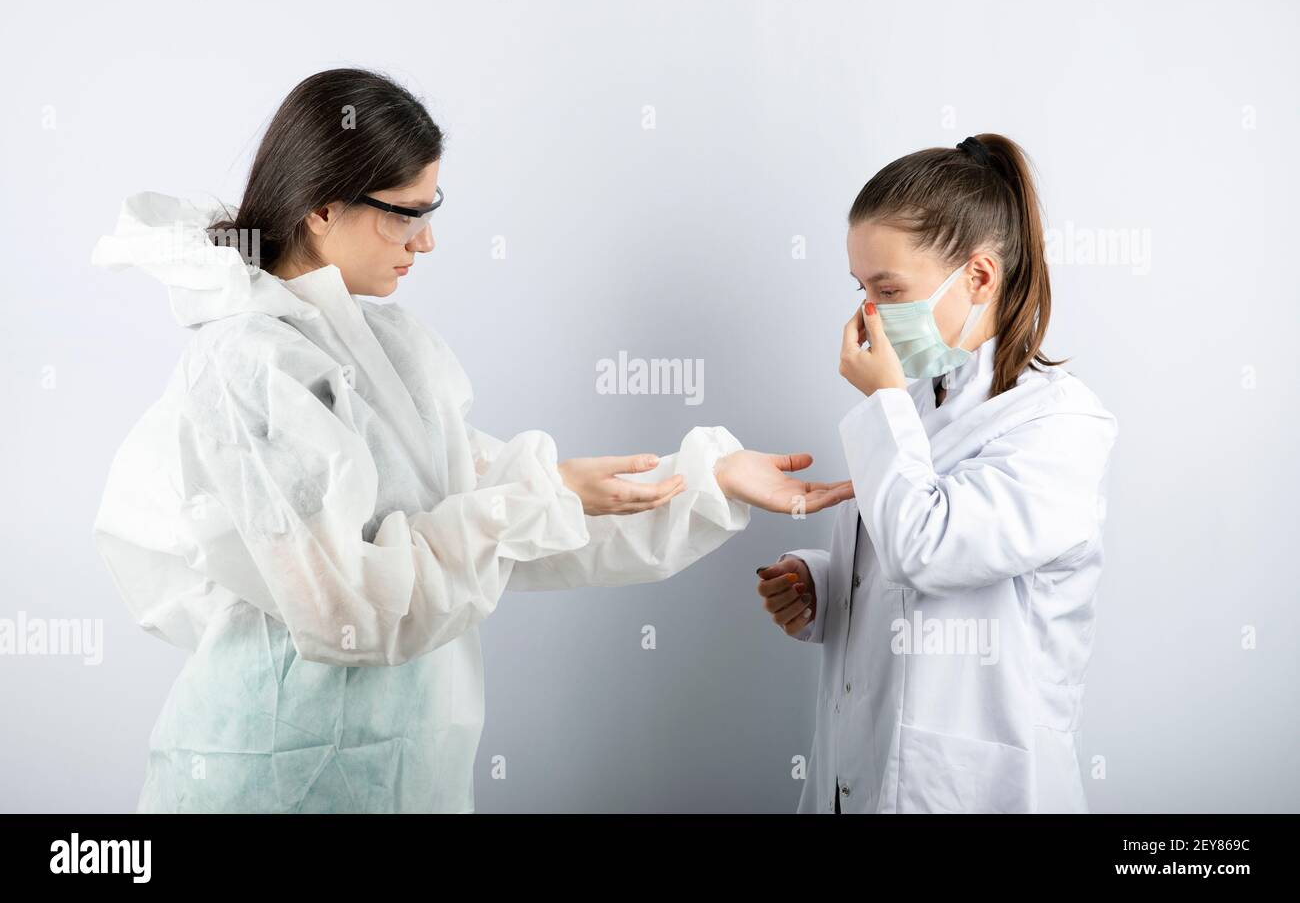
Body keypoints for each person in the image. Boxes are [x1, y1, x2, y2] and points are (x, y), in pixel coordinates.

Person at [92, 68, 852, 813]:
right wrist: (538, 499)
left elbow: (501, 519)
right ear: (322, 209)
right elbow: (348, 606)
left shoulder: (384, 345)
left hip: (405, 770)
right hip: (271, 775)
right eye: (405, 213)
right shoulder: (250, 365)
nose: (426, 242)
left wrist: (711, 478)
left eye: (432, 209)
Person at [756, 134, 1118, 813]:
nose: (868, 314)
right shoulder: (920, 403)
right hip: (858, 772)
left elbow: (928, 550)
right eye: (862, 289)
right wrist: (822, 585)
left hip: (973, 785)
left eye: (888, 290)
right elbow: (894, 571)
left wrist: (885, 402)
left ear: (979, 277)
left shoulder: (1062, 424)